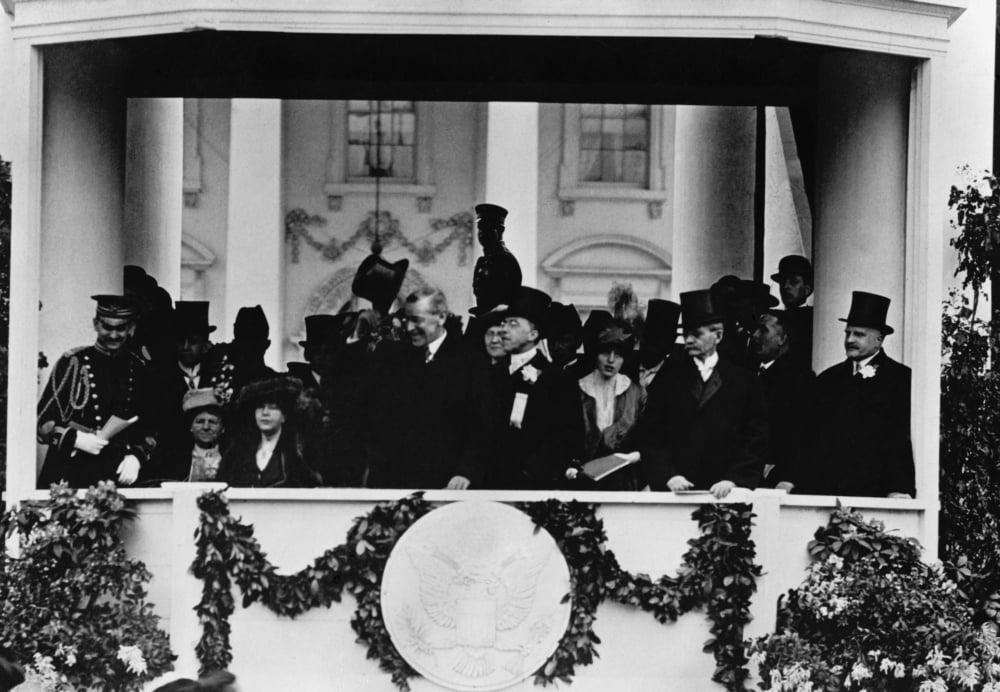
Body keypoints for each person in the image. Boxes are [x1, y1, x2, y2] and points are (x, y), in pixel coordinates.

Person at [638, 289, 768, 498]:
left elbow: (755, 439)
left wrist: (734, 479)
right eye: (686, 334)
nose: (689, 340)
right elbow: (651, 435)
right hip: (675, 493)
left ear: (718, 335)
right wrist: (668, 476)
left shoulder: (745, 382)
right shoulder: (668, 379)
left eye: (697, 334)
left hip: (726, 495)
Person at [366, 288, 497, 489]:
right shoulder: (393, 358)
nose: (409, 327)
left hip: (449, 484)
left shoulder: (471, 362)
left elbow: (482, 425)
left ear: (441, 317)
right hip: (395, 481)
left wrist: (466, 472)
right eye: (406, 319)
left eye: (417, 320)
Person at [36, 295, 158, 488]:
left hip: (118, 471)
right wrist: (74, 438)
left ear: (131, 328)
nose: (113, 335)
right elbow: (43, 424)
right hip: (71, 471)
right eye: (107, 327)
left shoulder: (140, 368)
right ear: (95, 324)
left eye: (121, 328)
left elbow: (151, 426)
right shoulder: (73, 362)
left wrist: (137, 457)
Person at [804, 291, 915, 498]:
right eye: (848, 333)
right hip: (826, 489)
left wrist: (899, 487)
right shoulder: (828, 379)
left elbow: (900, 438)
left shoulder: (901, 379)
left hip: (875, 490)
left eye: (859, 334)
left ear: (879, 340)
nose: (850, 340)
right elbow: (811, 435)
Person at [489, 286, 582, 489]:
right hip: (486, 485)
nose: (504, 329)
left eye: (513, 324)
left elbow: (565, 438)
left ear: (533, 334)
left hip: (534, 486)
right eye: (503, 323)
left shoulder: (558, 380)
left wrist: (529, 473)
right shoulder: (489, 375)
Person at [576, 320, 646, 490]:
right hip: (580, 481)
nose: (611, 360)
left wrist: (634, 456)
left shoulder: (636, 393)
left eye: (619, 355)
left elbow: (647, 438)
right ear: (595, 353)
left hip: (623, 482)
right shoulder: (576, 390)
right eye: (605, 352)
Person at [750, 310, 814, 491]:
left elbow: (803, 434)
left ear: (782, 338)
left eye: (763, 330)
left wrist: (787, 475)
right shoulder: (750, 374)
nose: (755, 336)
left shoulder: (799, 379)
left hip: (776, 479)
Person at [216, 376, 317, 488]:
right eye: (260, 407)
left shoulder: (297, 452)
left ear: (284, 416)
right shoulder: (238, 450)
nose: (265, 413)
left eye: (273, 408)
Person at [154, 301, 217, 456]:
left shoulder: (217, 375)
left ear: (205, 344)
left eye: (193, 341)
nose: (186, 346)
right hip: (170, 459)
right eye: (181, 340)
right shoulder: (158, 378)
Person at [202, 305, 278, 408]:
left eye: (254, 344)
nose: (248, 350)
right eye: (244, 342)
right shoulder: (219, 374)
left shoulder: (273, 383)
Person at [150, 388, 226, 482]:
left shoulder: (232, 458)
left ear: (223, 428)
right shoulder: (172, 460)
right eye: (200, 422)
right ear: (191, 427)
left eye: (212, 422)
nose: (206, 427)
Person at [470, 203, 522, 316]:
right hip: (482, 316)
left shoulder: (506, 261)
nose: (482, 234)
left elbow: (508, 300)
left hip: (496, 320)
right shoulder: (483, 261)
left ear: (500, 230)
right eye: (480, 229)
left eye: (488, 229)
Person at [771, 255, 814, 365]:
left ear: (807, 289)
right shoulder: (774, 318)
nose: (786, 286)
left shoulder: (812, 320)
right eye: (782, 281)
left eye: (794, 282)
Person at [637, 299, 681, 389]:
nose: (650, 345)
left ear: (671, 342)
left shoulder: (677, 378)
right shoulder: (625, 367)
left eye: (659, 339)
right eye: (648, 335)